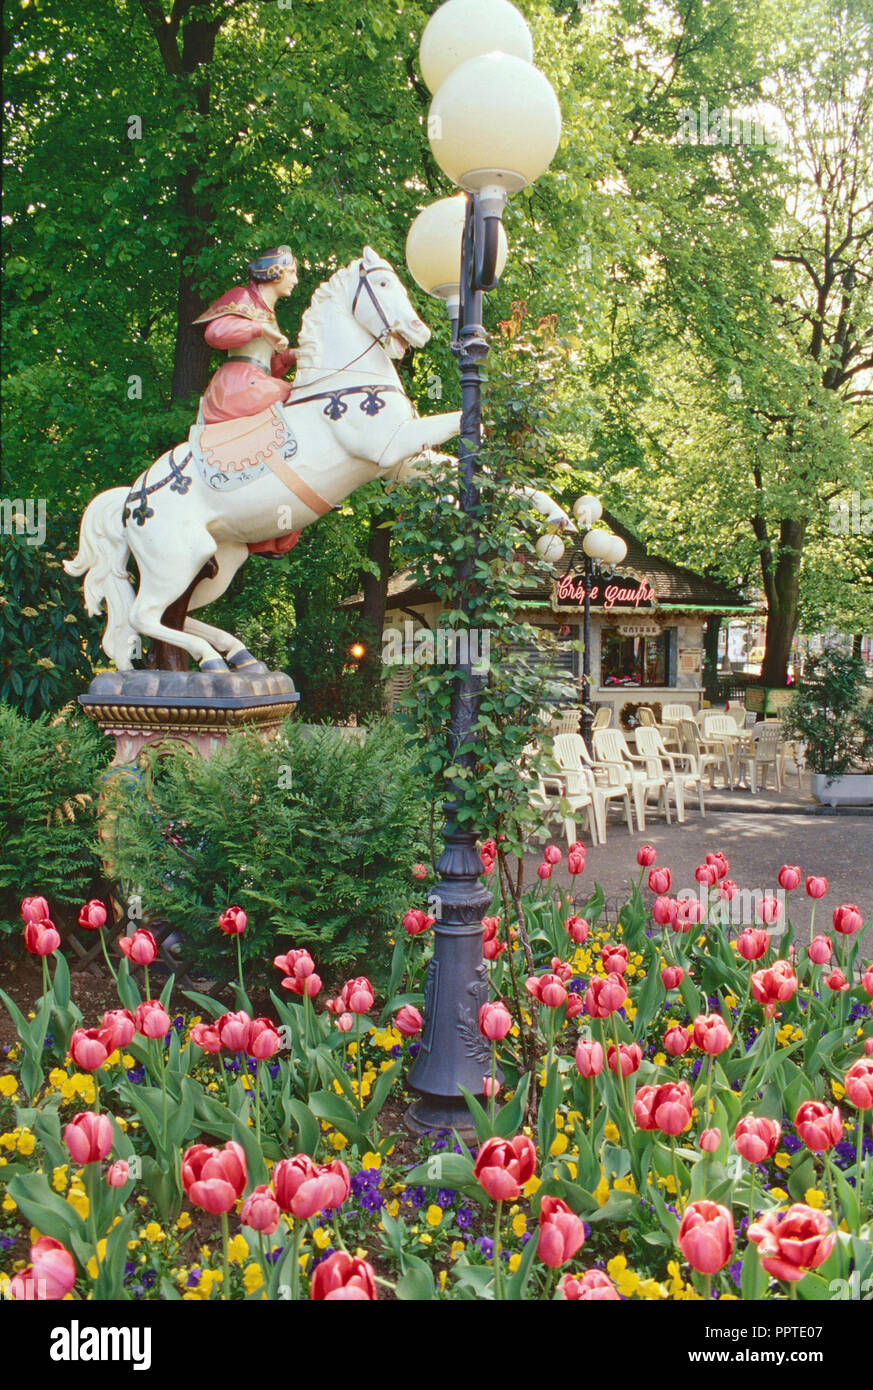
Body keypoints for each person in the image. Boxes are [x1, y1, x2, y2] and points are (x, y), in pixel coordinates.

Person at [193, 246, 301, 554]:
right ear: (274, 271)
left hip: (258, 381)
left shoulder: (270, 315)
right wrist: (259, 328)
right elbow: (216, 333)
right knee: (297, 396)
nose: (295, 279)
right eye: (291, 271)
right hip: (236, 385)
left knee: (291, 393)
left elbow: (272, 366)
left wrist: (292, 355)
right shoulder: (243, 297)